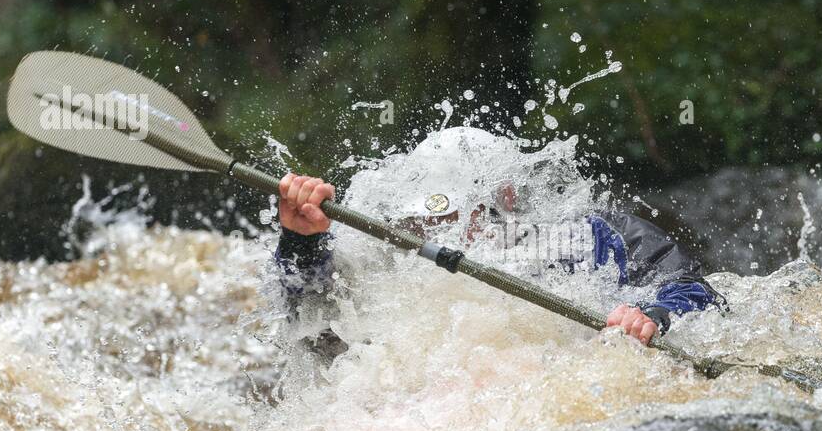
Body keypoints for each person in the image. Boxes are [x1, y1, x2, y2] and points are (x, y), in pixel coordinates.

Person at [274, 136, 722, 348]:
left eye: (453, 217)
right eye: (422, 221)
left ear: (503, 200)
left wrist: (654, 318)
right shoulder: (392, 260)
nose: (433, 235)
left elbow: (700, 295)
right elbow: (315, 328)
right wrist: (301, 242)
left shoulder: (596, 238)